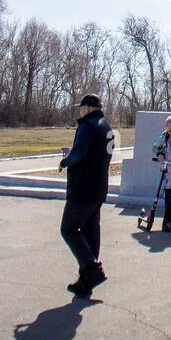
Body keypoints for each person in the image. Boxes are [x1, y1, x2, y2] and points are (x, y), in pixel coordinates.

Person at [59, 94, 115, 296]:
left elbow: (79, 153)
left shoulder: (87, 126)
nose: (79, 111)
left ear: (89, 108)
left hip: (83, 187)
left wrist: (65, 160)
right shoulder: (106, 126)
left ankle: (92, 269)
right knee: (91, 229)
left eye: (81, 107)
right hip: (99, 187)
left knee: (69, 229)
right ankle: (86, 279)